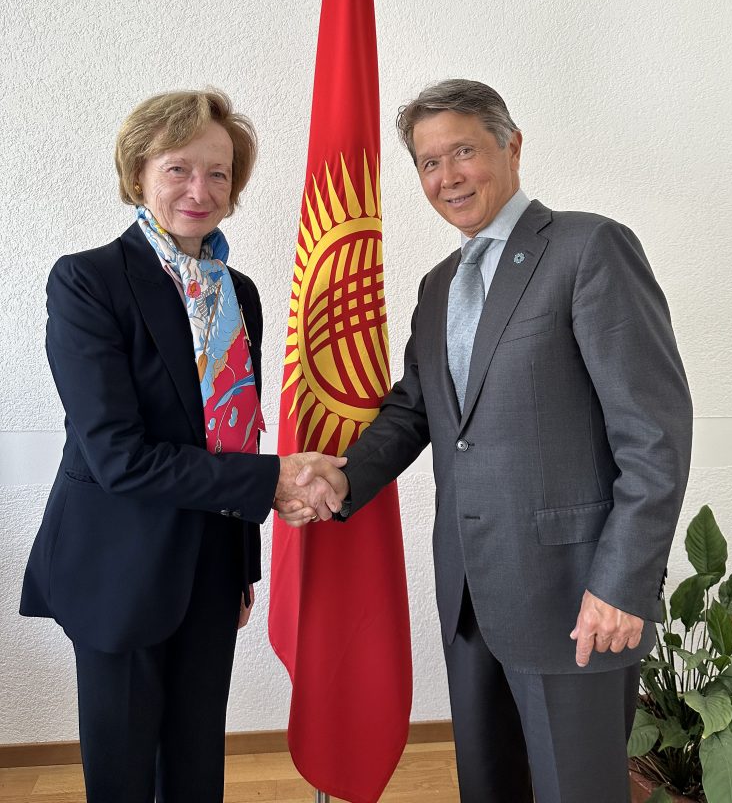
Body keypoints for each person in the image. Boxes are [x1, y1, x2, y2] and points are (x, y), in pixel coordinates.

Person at [280, 79, 692, 803]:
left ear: (512, 146)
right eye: (429, 163)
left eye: (463, 151)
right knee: (491, 787)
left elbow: (653, 435)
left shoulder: (589, 247)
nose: (447, 177)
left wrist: (621, 583)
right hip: (471, 594)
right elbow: (415, 410)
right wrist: (343, 479)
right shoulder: (441, 284)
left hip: (577, 599)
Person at [20, 89, 345, 803]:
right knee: (125, 775)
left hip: (209, 566)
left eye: (219, 173)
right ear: (139, 172)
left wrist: (241, 562)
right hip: (118, 567)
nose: (200, 190)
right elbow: (115, 454)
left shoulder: (242, 293)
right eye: (178, 168)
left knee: (198, 768)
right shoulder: (88, 281)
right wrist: (274, 482)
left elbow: (235, 429)